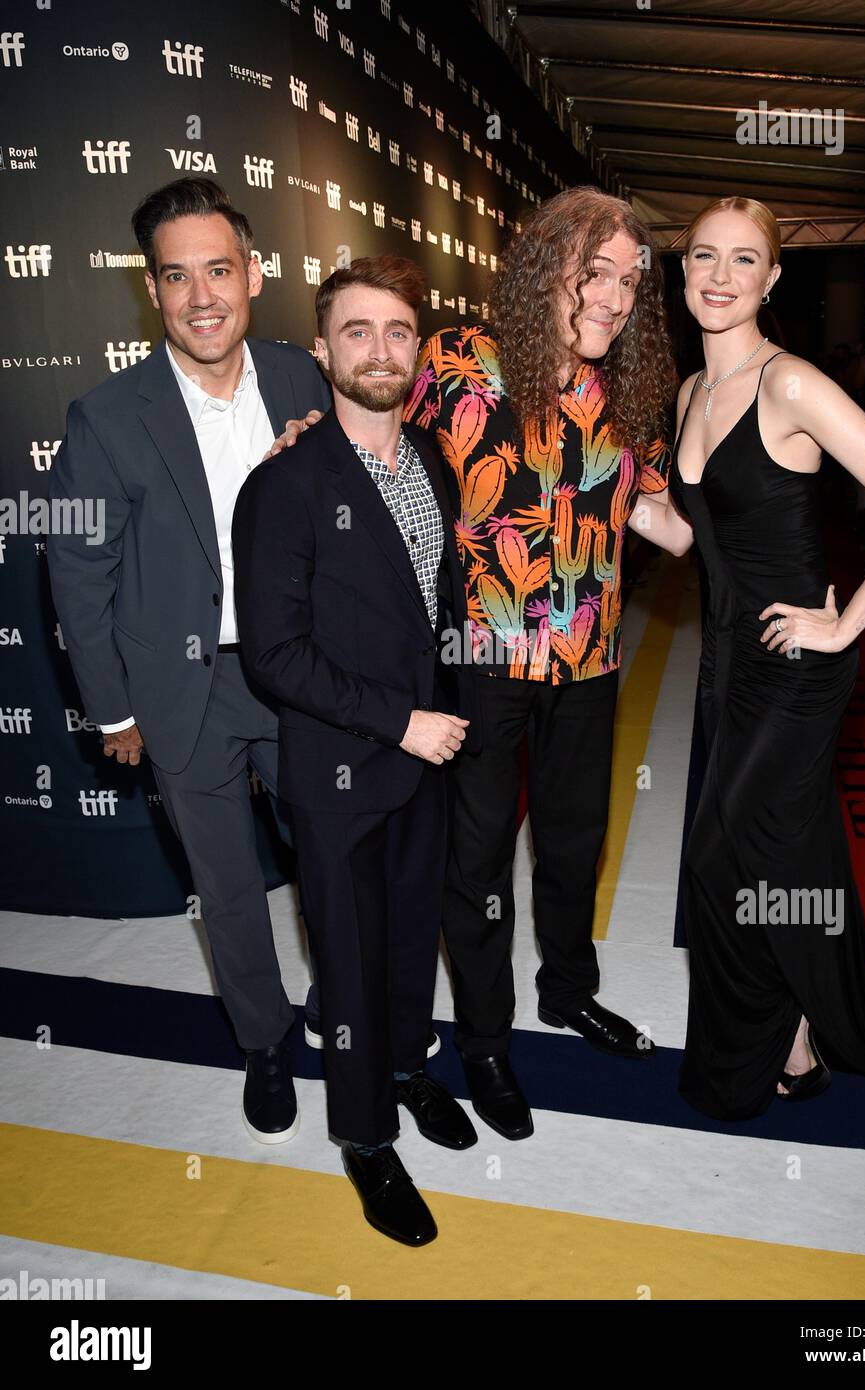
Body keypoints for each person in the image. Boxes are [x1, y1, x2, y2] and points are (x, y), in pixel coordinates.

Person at [269, 187, 675, 1141]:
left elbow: (653, 510)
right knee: (479, 858)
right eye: (595, 273)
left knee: (576, 842)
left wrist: (756, 525)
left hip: (590, 659)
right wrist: (297, 439)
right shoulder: (460, 361)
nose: (614, 297)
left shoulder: (629, 388)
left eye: (628, 280)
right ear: (547, 268)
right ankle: (486, 1042)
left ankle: (570, 989)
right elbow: (363, 419)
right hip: (484, 659)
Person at [628, 194, 865, 1120]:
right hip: (726, 669)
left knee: (718, 857)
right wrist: (596, 480)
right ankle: (799, 1039)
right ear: (682, 268)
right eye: (703, 256)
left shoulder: (790, 384)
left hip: (794, 667)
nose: (717, 276)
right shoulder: (689, 392)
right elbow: (683, 537)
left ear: (773, 278)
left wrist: (846, 624)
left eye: (742, 260)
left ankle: (761, 1047)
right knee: (776, 863)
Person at [47, 178, 331, 1145]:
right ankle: (263, 1042)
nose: (202, 295)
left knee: (329, 849)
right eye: (178, 276)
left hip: (300, 676)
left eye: (219, 269)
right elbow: (79, 580)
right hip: (186, 687)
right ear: (152, 291)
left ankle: (344, 999)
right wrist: (112, 712)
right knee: (228, 881)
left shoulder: (303, 379)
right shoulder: (107, 415)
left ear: (251, 273)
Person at [231, 256, 480, 1246]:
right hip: (341, 767)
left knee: (415, 931)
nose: (381, 349)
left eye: (399, 332)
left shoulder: (431, 458)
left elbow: (438, 607)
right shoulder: (285, 484)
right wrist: (400, 721)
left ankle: (411, 1069)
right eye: (358, 331)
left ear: (416, 350)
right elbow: (276, 656)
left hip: (432, 755)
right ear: (324, 348)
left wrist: (450, 714)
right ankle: (367, 1141)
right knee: (348, 952)